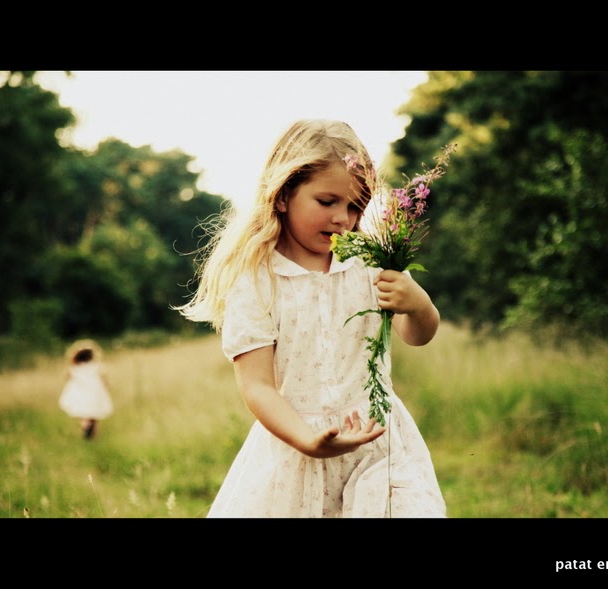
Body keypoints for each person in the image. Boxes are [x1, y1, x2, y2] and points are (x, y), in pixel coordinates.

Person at [175, 119, 446, 517]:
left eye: (355, 206)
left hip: (378, 445)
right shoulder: (257, 280)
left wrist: (418, 304)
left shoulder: (371, 262)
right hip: (297, 448)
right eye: (327, 201)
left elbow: (416, 334)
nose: (343, 218)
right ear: (283, 195)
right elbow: (257, 386)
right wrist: (307, 440)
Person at [58, 339, 113, 440]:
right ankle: (93, 435)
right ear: (92, 356)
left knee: (83, 413)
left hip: (82, 394)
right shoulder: (96, 366)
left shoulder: (75, 367)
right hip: (95, 393)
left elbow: (66, 377)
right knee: (95, 415)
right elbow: (104, 378)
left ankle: (85, 425)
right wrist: (107, 387)